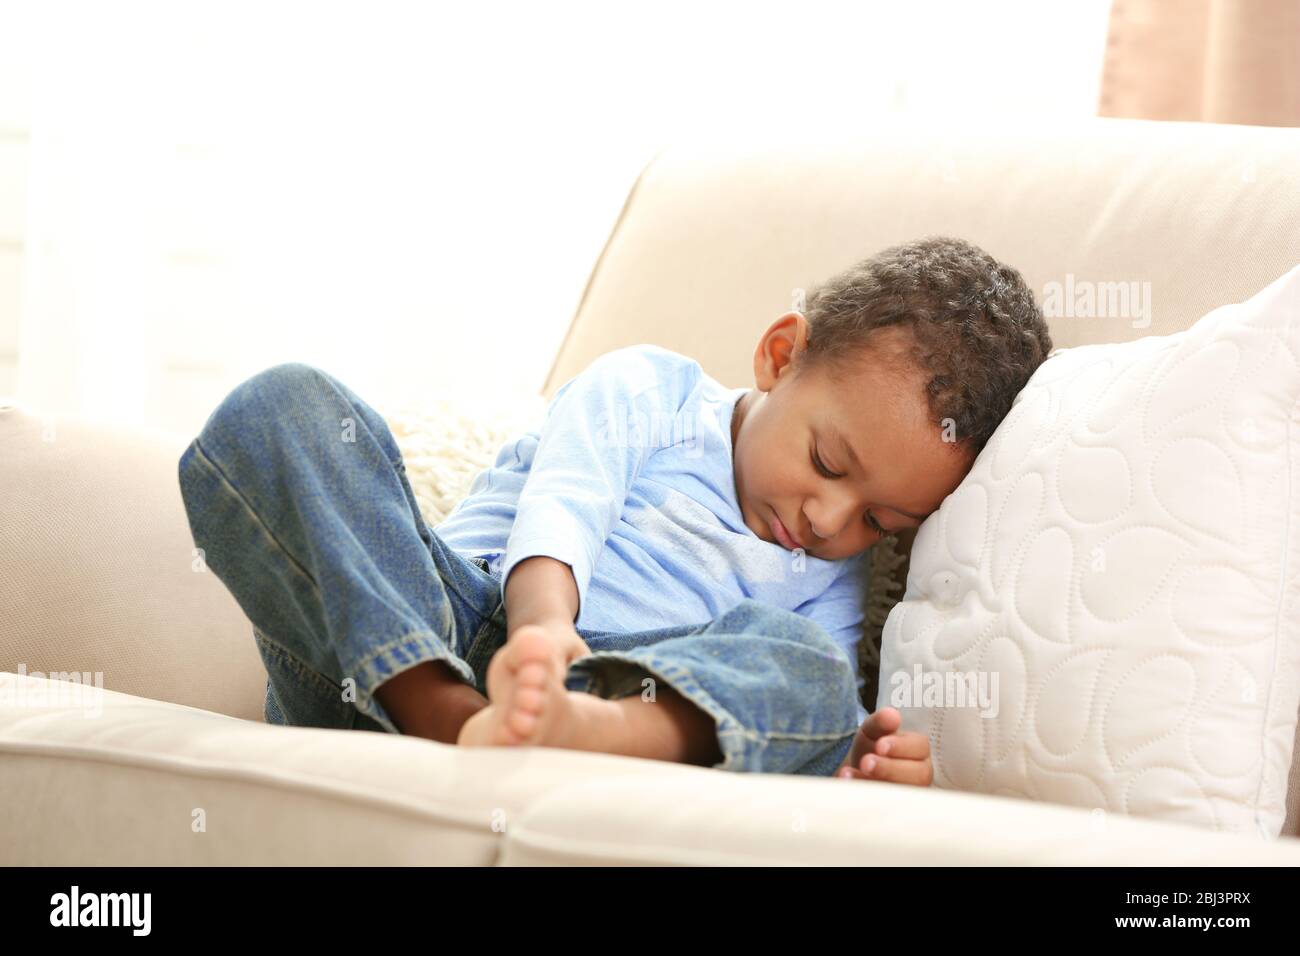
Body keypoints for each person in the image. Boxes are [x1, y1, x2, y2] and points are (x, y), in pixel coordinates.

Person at [177, 235, 1053, 784]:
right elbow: (565, 507)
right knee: (282, 409)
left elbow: (804, 698)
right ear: (781, 355)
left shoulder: (832, 568)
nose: (831, 520)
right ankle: (447, 720)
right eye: (828, 462)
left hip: (617, 693)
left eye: (880, 521)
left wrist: (862, 759)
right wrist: (542, 630)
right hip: (435, 624)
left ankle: (579, 734)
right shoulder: (652, 391)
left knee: (814, 678)